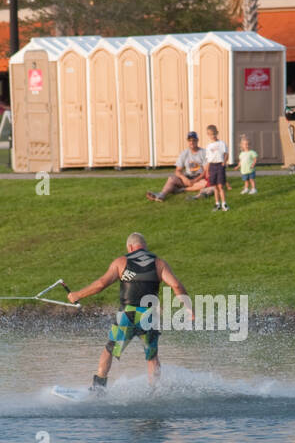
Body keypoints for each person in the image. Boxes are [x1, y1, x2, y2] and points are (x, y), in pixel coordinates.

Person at [67, 232, 190, 391]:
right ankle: (155, 393)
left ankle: (98, 389)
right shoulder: (159, 263)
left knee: (110, 348)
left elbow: (100, 284)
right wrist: (188, 308)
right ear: (144, 247)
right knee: (151, 356)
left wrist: (77, 295)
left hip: (127, 314)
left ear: (130, 247)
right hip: (149, 316)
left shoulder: (121, 262)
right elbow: (176, 285)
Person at [146, 132, 209, 201]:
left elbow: (206, 171)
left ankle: (182, 189)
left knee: (205, 183)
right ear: (187, 141)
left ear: (197, 140)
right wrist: (184, 178)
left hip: (199, 178)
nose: (192, 142)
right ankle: (162, 195)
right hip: (187, 177)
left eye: (194, 140)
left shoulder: (203, 152)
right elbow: (177, 171)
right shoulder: (184, 153)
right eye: (190, 140)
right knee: (171, 178)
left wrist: (194, 180)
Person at [204, 124, 229, 211]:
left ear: (217, 133)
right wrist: (207, 171)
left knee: (220, 186)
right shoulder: (208, 146)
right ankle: (217, 204)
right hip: (212, 167)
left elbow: (226, 154)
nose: (212, 136)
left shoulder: (221, 143)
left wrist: (224, 163)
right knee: (215, 187)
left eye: (214, 134)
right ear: (208, 135)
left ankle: (224, 204)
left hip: (220, 165)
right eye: (210, 134)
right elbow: (208, 160)